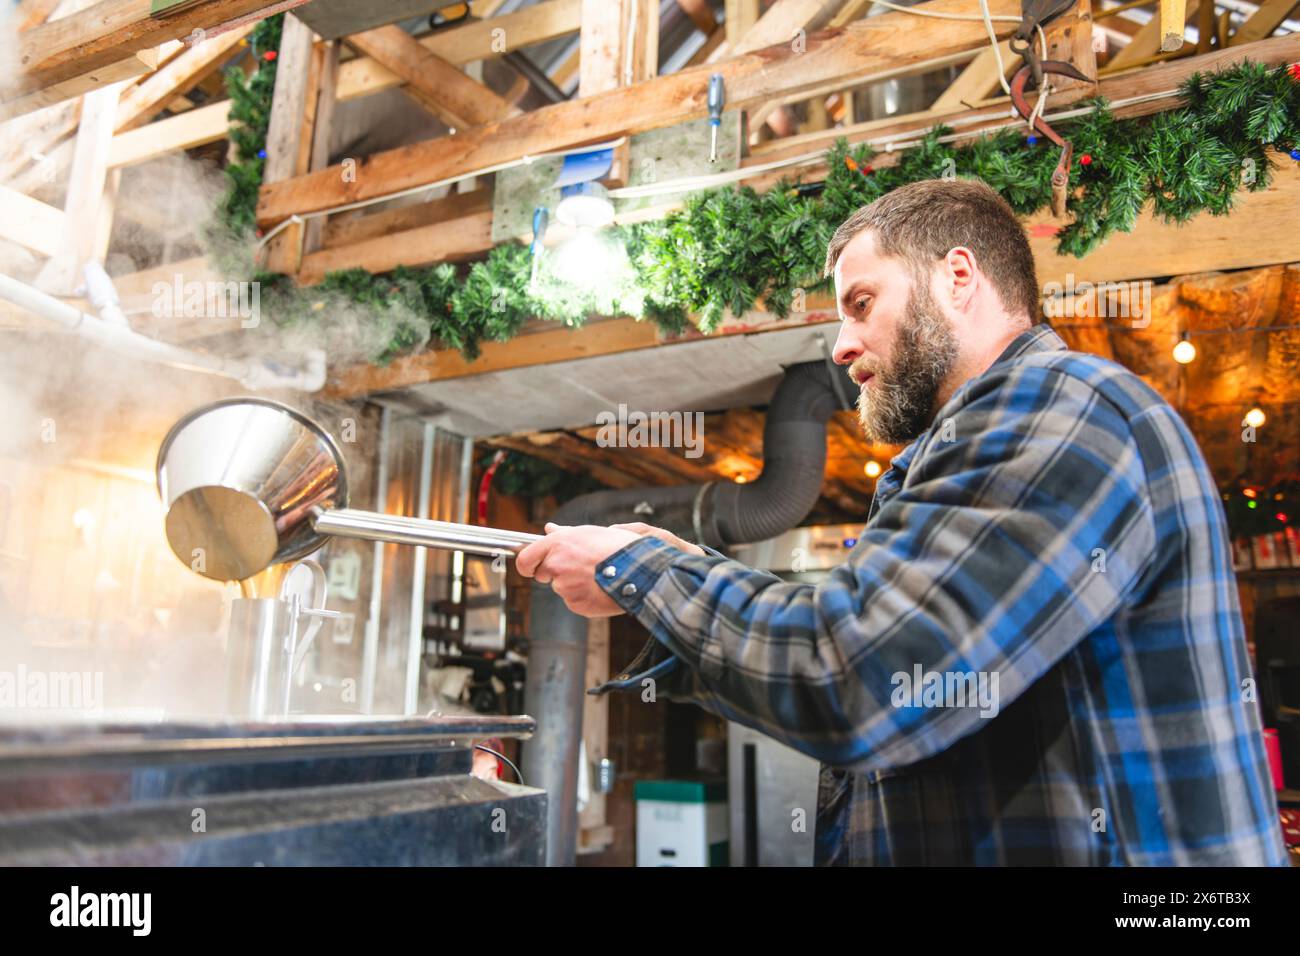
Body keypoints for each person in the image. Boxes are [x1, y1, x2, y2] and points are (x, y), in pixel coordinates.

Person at [514, 179, 1287, 866]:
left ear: (957, 277)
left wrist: (641, 571)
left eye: (861, 303)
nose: (844, 345)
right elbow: (873, 649)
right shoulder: (969, 446)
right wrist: (659, 573)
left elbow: (858, 677)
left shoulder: (1061, 406)